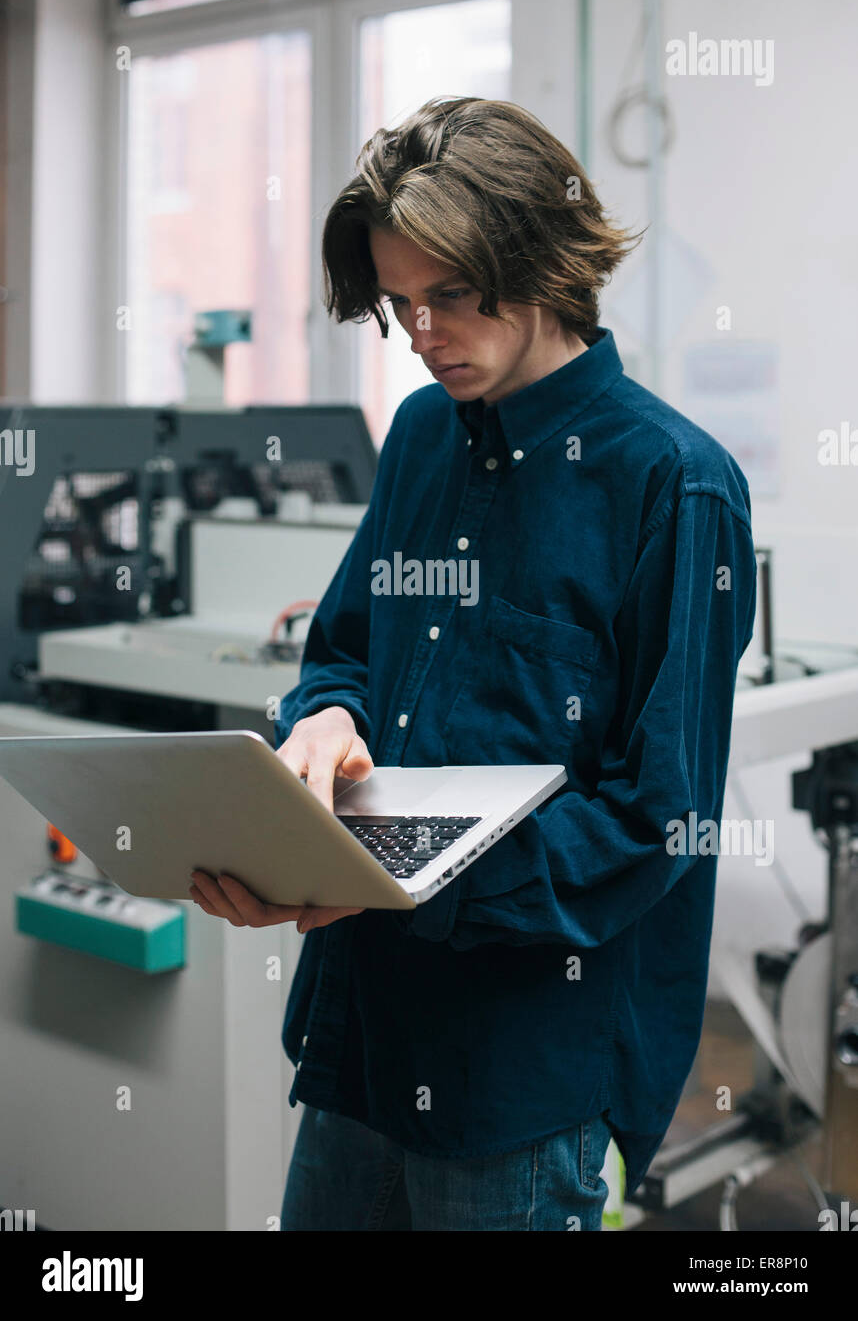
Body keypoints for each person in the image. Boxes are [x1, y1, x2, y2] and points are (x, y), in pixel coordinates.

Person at [189, 96, 757, 1231]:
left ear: (541, 259)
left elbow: (655, 821)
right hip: (362, 1035)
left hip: (517, 1078)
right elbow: (345, 649)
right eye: (400, 305)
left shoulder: (674, 487)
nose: (422, 331)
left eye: (446, 294)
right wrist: (320, 724)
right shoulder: (417, 437)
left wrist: (396, 876)